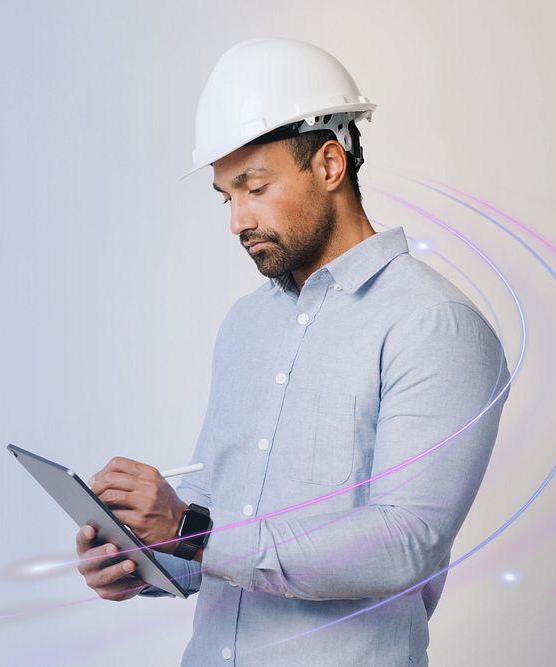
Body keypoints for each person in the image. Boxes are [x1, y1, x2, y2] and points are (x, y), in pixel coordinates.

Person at [74, 38, 510, 665]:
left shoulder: (434, 324)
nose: (237, 221)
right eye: (228, 196)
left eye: (255, 187)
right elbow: (216, 538)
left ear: (330, 166)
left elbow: (405, 542)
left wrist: (191, 530)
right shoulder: (245, 326)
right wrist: (144, 557)